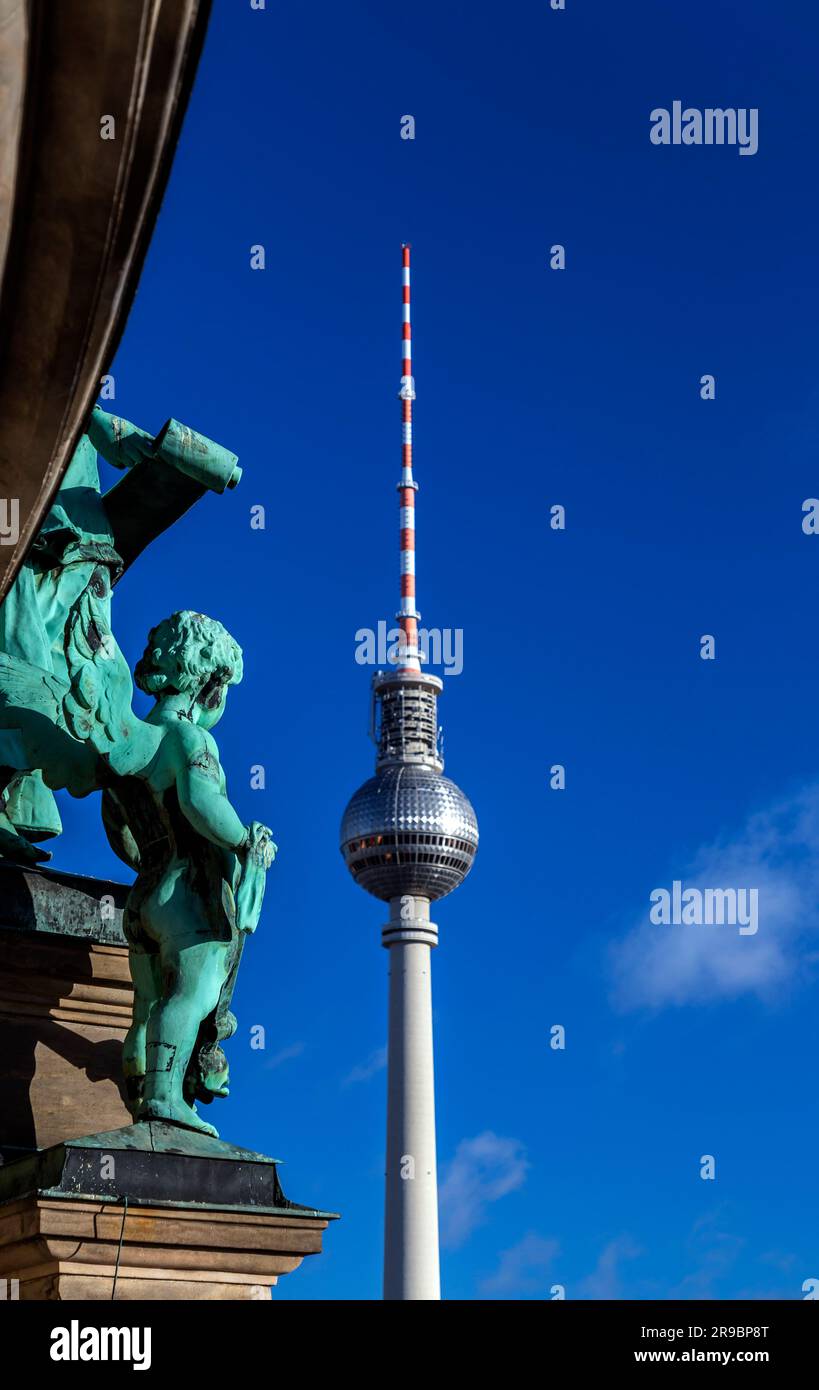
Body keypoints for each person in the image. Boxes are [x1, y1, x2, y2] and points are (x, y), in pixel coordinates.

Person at [101, 610, 275, 1137]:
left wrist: (149, 862)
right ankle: (163, 1098)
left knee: (146, 1002)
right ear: (210, 681)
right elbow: (201, 803)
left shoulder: (127, 744)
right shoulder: (191, 740)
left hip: (145, 893)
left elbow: (119, 831)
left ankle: (140, 1090)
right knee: (191, 996)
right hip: (188, 893)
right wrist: (245, 839)